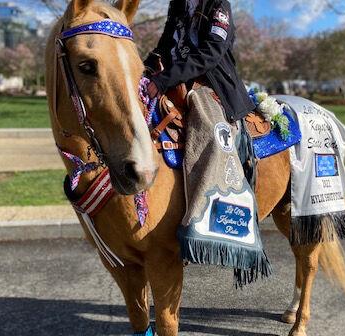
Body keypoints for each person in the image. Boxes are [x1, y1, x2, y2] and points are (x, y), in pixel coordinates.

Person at [143, 0, 271, 285]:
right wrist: (147, 70)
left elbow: (211, 52)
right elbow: (166, 42)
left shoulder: (218, 5)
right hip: (177, 80)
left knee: (212, 136)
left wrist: (165, 80)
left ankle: (209, 222)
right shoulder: (178, 4)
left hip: (210, 84)